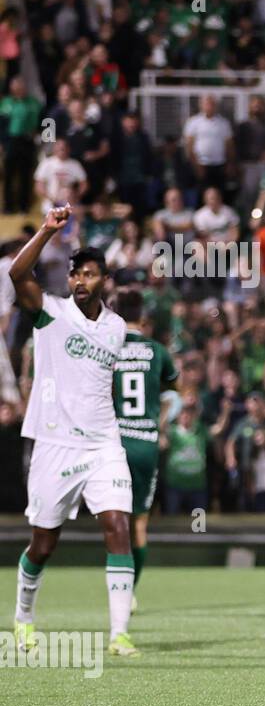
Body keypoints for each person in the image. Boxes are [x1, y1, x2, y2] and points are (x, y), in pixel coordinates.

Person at [9, 206, 139, 656]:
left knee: (118, 525)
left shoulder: (117, 329)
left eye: (90, 274)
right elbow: (17, 273)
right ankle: (23, 616)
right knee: (44, 544)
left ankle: (119, 633)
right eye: (76, 274)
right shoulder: (51, 313)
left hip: (104, 443)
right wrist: (47, 230)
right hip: (54, 445)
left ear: (104, 281)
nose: (81, 281)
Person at [111, 288, 178, 610]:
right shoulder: (158, 351)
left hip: (111, 441)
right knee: (139, 523)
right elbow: (174, 391)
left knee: (114, 520)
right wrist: (161, 421)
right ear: (144, 319)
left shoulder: (106, 347)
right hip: (145, 443)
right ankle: (129, 591)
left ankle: (115, 581)